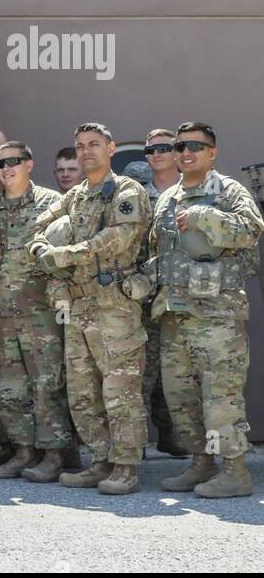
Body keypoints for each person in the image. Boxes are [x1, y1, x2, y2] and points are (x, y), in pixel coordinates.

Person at [29, 122, 151, 495]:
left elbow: (119, 237)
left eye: (94, 144)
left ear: (111, 148)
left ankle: (126, 467)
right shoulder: (75, 195)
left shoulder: (128, 191)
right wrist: (39, 249)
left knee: (120, 390)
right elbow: (39, 226)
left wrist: (65, 254)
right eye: (80, 146)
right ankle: (99, 461)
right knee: (83, 392)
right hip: (77, 305)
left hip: (114, 304)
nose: (86, 152)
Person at [149, 122, 263, 498]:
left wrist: (205, 218)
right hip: (175, 316)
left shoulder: (227, 191)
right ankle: (202, 463)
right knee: (181, 397)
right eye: (180, 145)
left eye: (196, 146)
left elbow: (251, 229)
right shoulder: (167, 198)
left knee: (221, 398)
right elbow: (158, 252)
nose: (186, 152)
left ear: (212, 153)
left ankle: (234, 471)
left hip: (217, 317)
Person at [0, 141, 75, 482]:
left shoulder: (52, 204)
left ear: (29, 164)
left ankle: (54, 454)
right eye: (1, 163)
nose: (6, 168)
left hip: (42, 310)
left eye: (14, 161)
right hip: (3, 311)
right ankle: (23, 451)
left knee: (47, 383)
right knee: (9, 385)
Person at [133, 128, 184, 456]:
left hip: (186, 296)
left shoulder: (192, 191)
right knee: (143, 372)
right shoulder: (138, 194)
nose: (157, 154)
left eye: (164, 148)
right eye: (150, 150)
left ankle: (176, 434)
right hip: (147, 298)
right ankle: (134, 444)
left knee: (181, 373)